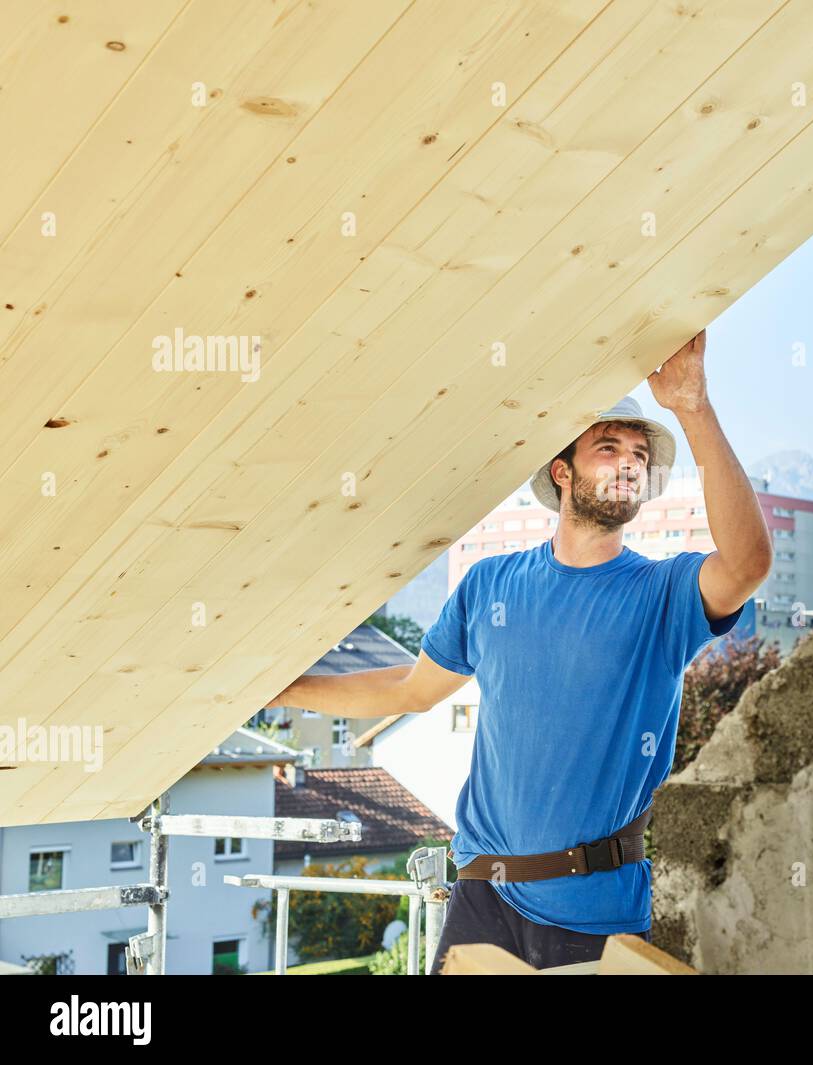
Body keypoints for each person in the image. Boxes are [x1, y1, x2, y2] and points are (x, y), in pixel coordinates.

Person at [271, 328, 773, 971]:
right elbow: (410, 691)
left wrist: (692, 405)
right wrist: (285, 689)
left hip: (590, 913)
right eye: (608, 446)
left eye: (639, 455)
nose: (628, 462)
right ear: (561, 472)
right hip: (481, 895)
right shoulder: (489, 584)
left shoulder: (661, 594)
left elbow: (747, 562)